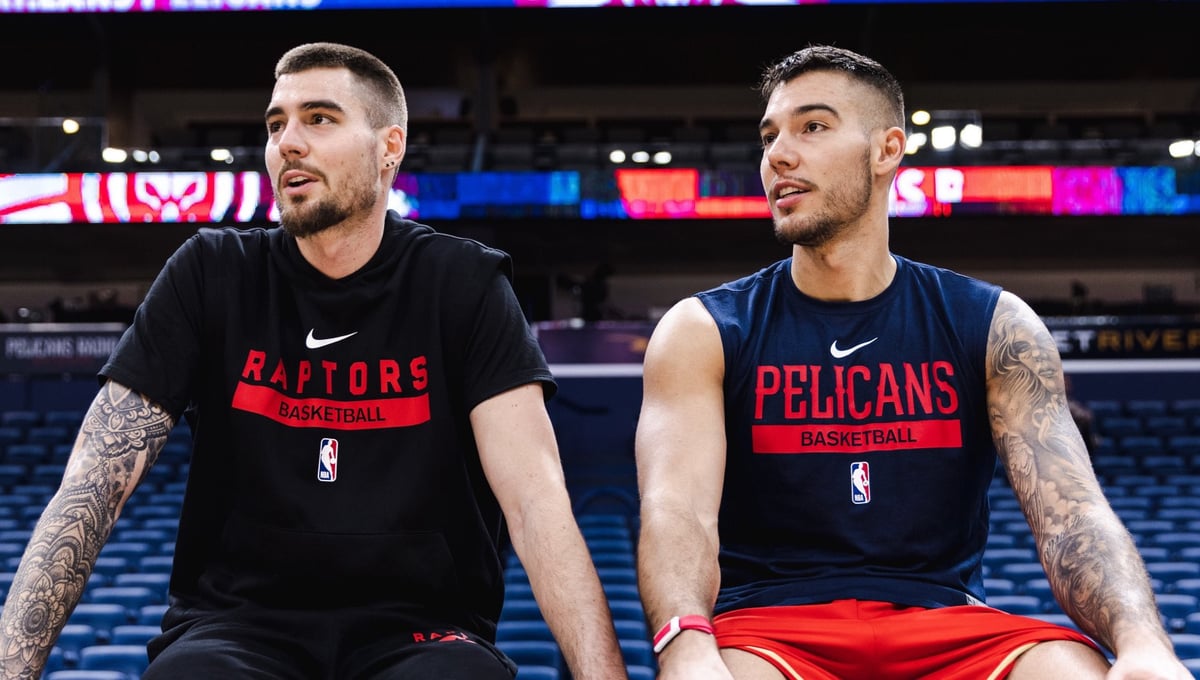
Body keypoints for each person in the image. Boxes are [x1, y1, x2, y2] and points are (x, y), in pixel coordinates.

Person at [0, 42, 628, 680]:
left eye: (319, 119)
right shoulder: (211, 273)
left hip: (422, 630)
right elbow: (90, 489)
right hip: (237, 625)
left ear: (389, 147)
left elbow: (536, 504)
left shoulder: (464, 283)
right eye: (276, 125)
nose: (287, 144)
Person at [634, 44, 1189, 680]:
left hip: (947, 623)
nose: (778, 155)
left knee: (1077, 670)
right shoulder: (702, 330)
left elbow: (1071, 514)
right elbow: (677, 512)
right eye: (769, 136)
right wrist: (686, 647)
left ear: (887, 150)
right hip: (768, 631)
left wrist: (1143, 643)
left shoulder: (994, 324)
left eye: (812, 127)